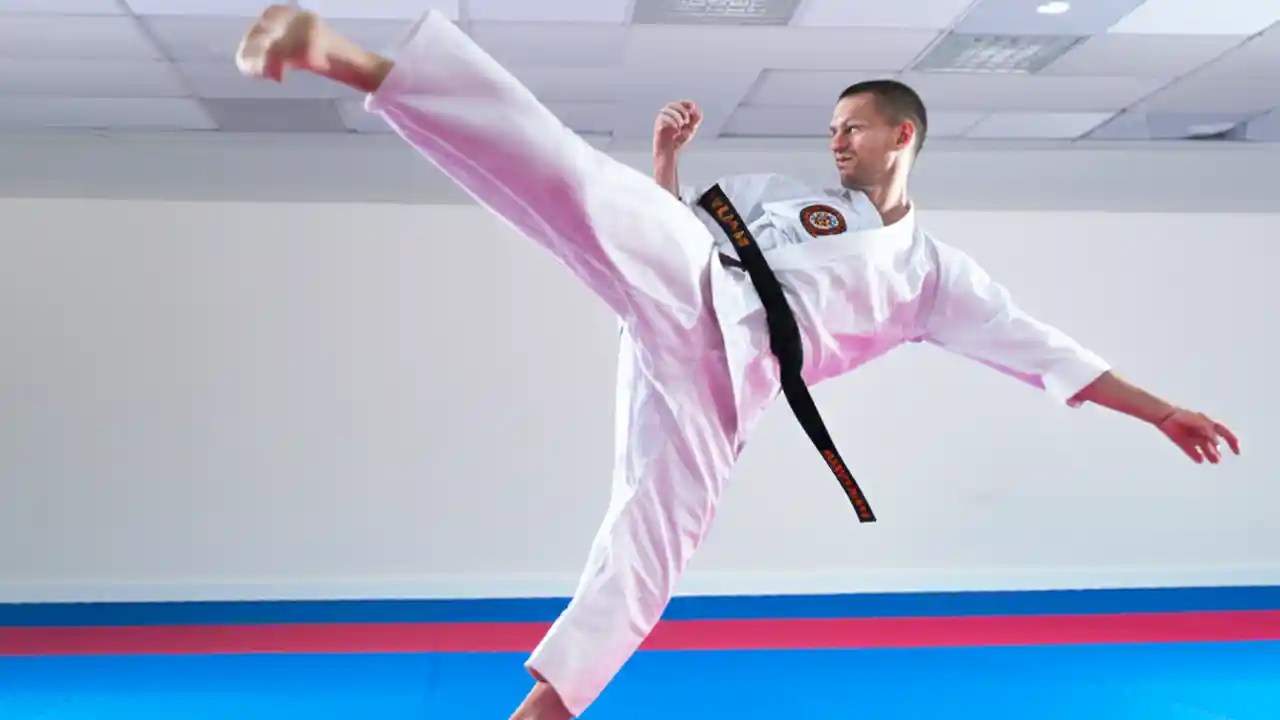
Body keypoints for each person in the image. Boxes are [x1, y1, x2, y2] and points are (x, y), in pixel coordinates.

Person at [234, 6, 1241, 718]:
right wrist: (666, 163)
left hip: (733, 382)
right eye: (831, 129)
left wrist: (1157, 411)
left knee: (659, 536)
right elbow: (661, 222)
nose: (835, 141)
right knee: (574, 184)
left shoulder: (937, 273)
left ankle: (549, 704)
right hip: (697, 284)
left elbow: (1041, 352)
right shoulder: (777, 196)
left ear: (901, 134)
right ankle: (348, 56)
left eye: (851, 127)